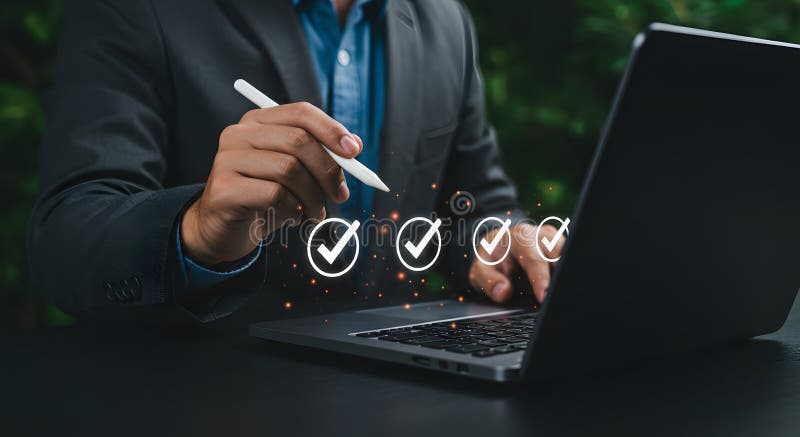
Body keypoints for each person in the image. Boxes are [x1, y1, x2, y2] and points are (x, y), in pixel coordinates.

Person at [28, 0, 565, 324]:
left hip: (402, 399)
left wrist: (503, 241)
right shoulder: (140, 10)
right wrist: (199, 231)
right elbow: (65, 241)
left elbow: (473, 207)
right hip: (209, 398)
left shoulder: (445, 22)